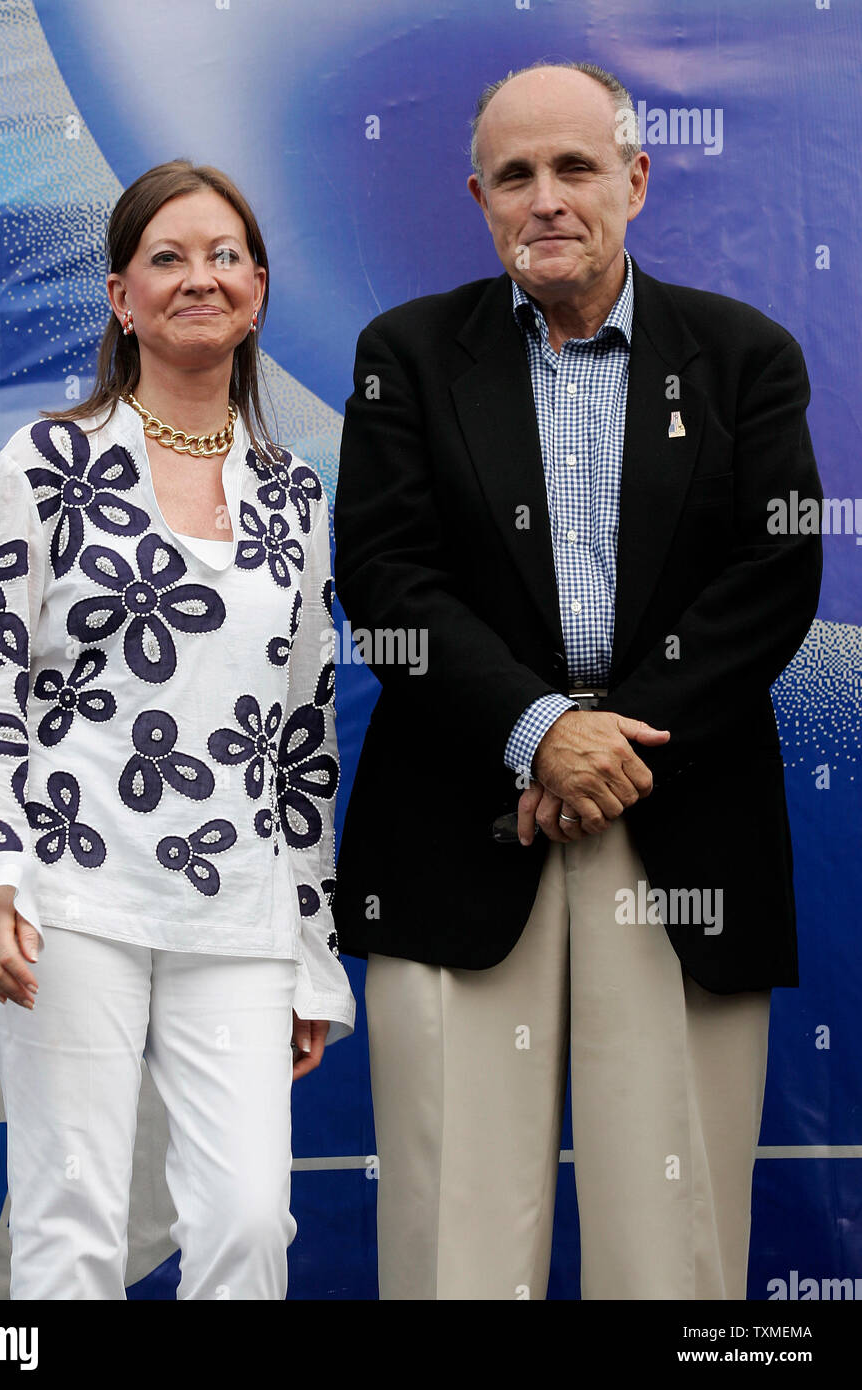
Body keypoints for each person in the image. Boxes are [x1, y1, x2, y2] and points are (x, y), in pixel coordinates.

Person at [333, 62, 823, 1300]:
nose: (546, 198)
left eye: (575, 168)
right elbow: (385, 576)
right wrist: (541, 730)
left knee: (675, 1247)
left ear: (636, 181)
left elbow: (775, 572)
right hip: (459, 816)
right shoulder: (405, 354)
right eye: (515, 176)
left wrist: (608, 744)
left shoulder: (744, 355)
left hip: (681, 819)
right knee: (455, 1246)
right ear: (480, 199)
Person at [0, 159, 354, 1300]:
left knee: (250, 1224)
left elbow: (303, 731)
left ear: (257, 291)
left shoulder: (295, 495)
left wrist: (309, 946)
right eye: (167, 257)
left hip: (239, 909)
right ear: (122, 298)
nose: (198, 278)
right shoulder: (45, 464)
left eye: (223, 256)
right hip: (68, 898)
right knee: (72, 1222)